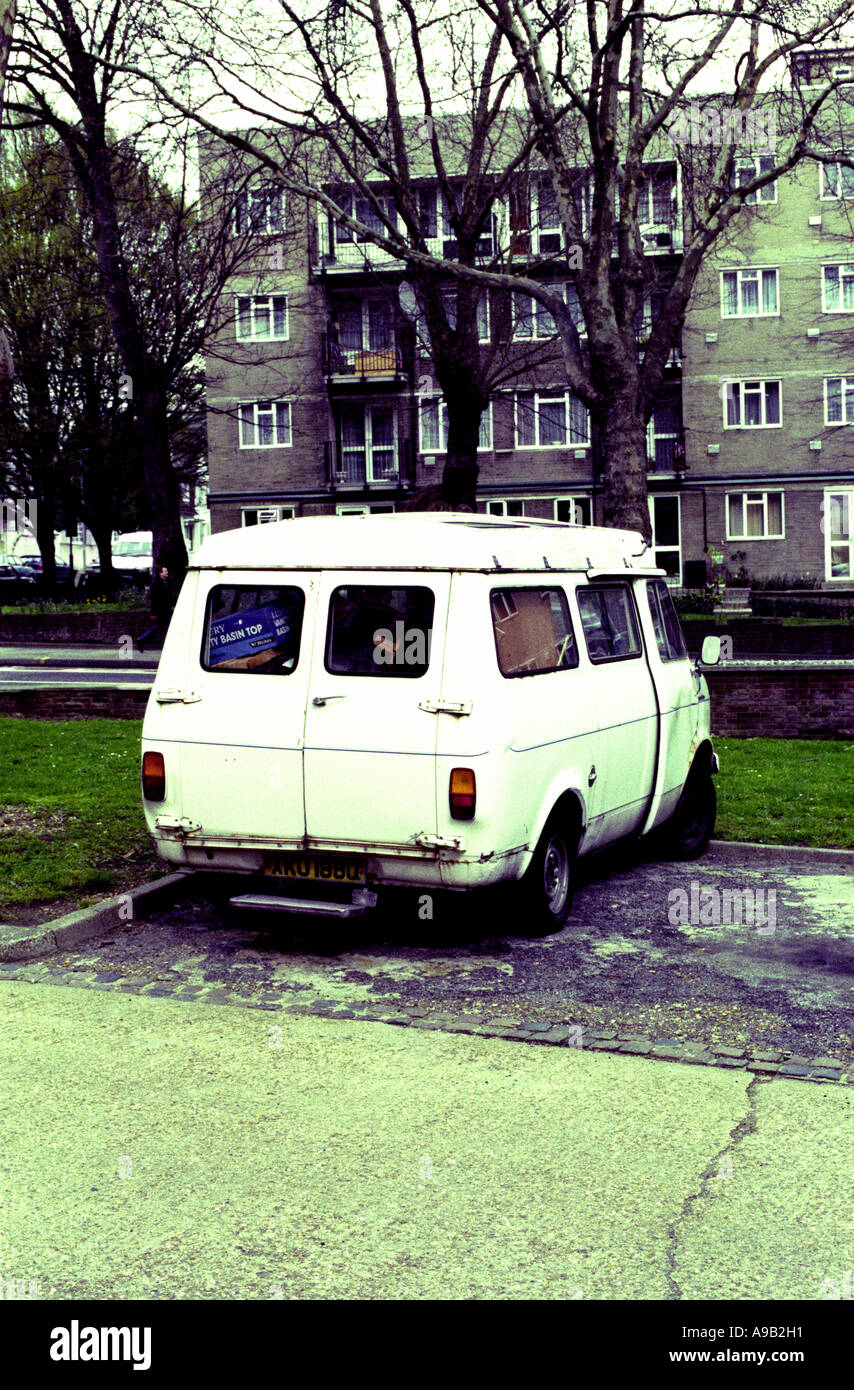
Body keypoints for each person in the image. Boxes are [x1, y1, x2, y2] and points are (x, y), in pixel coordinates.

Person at [138, 564, 174, 652]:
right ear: (160, 573)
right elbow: (154, 600)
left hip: (167, 610)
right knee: (160, 627)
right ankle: (141, 640)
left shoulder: (166, 583)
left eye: (167, 571)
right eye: (165, 571)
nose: (167, 573)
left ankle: (142, 640)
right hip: (161, 611)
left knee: (161, 628)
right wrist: (154, 613)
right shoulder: (156, 584)